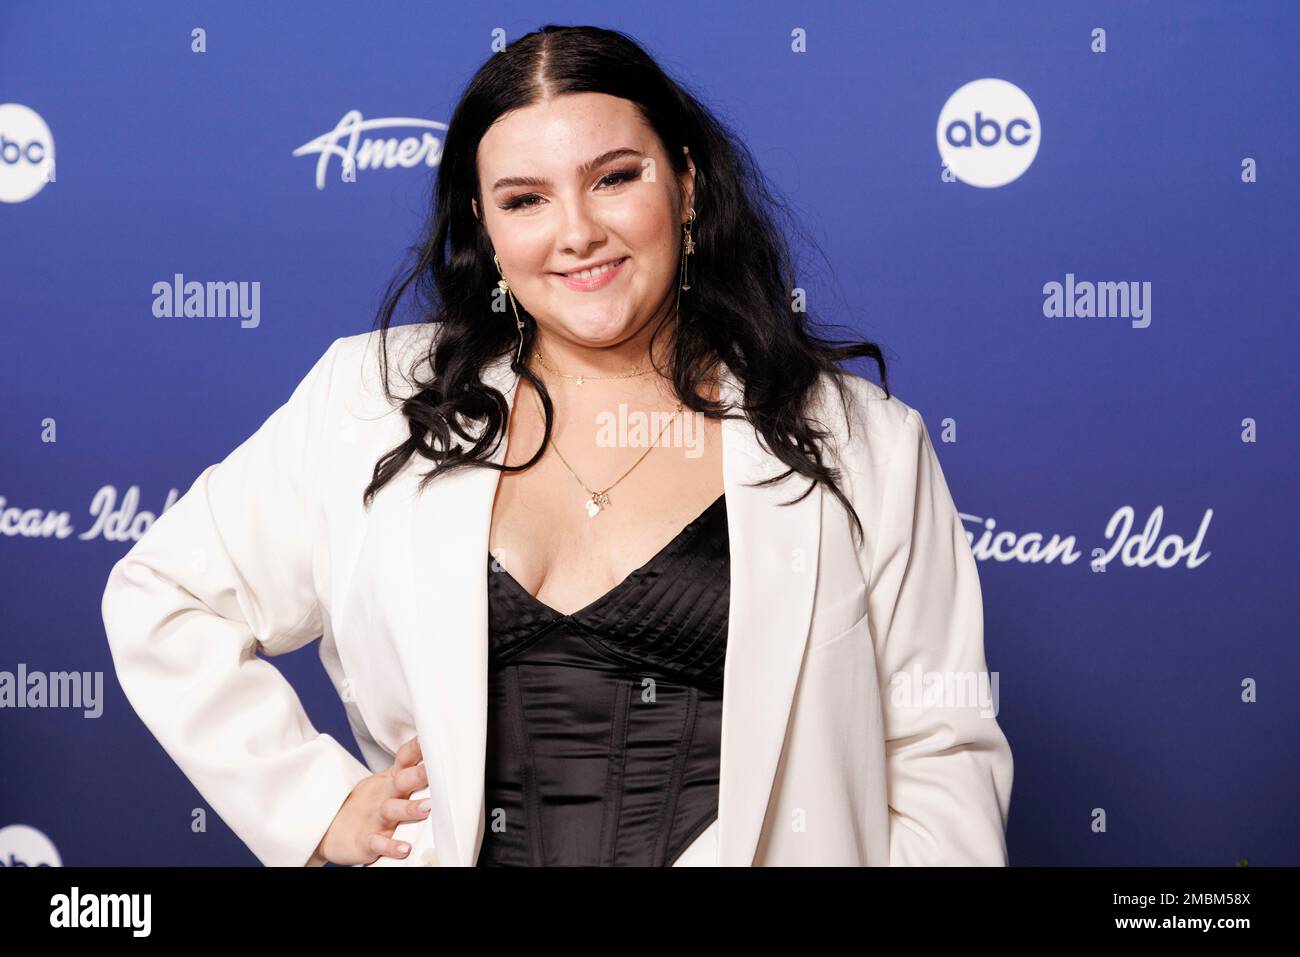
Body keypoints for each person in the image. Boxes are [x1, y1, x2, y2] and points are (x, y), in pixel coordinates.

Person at [102, 24, 1013, 867]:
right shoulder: (370, 400)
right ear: (486, 229)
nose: (577, 232)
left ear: (686, 185)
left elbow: (941, 757)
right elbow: (164, 598)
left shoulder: (862, 445)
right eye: (526, 198)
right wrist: (315, 806)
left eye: (616, 177)